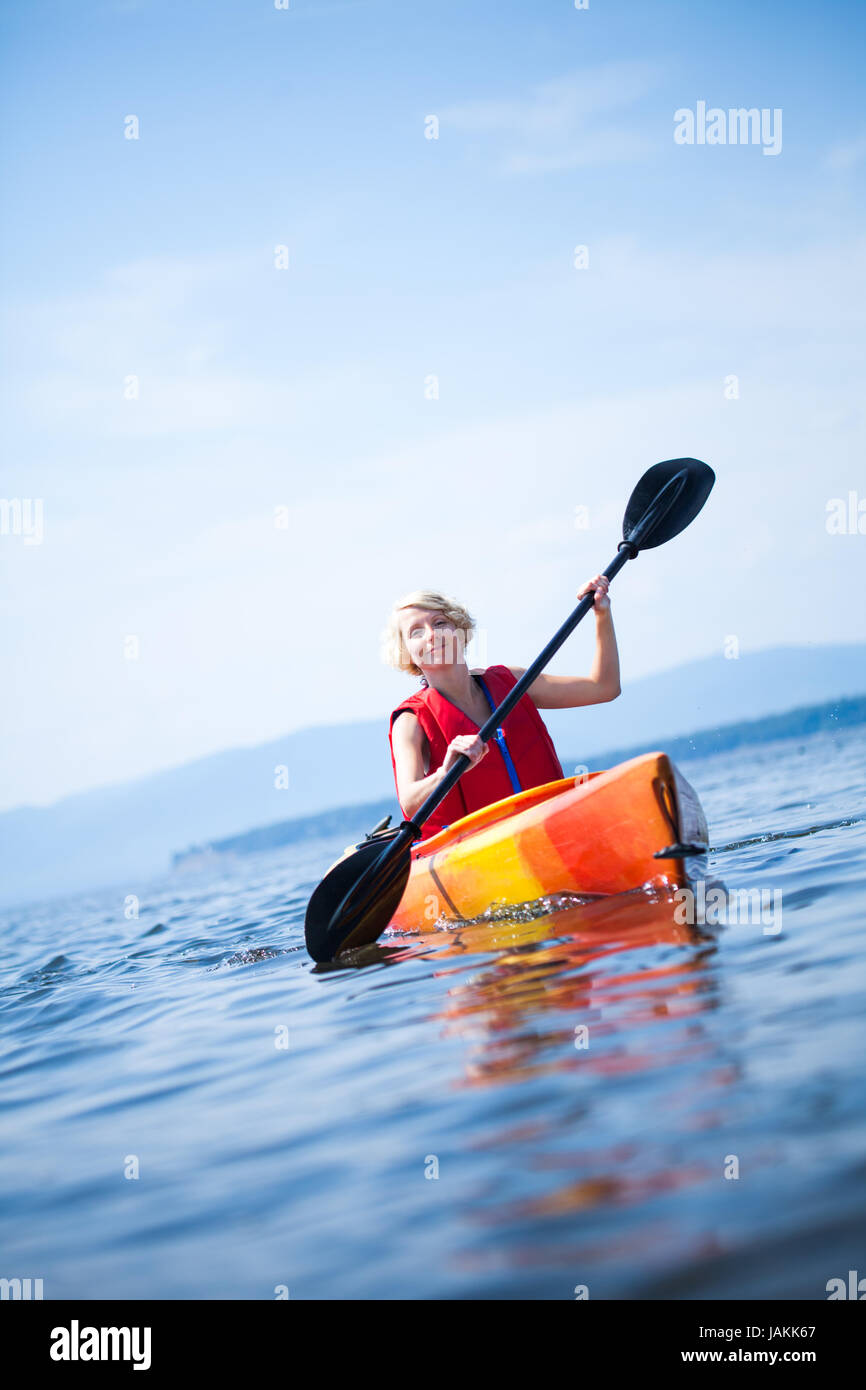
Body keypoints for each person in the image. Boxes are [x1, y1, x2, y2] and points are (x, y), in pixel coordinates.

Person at [381, 577, 620, 839]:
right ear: (406, 652)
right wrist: (445, 773)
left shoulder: (512, 682)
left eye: (440, 623)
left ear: (459, 630)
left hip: (552, 830)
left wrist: (601, 613)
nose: (431, 634)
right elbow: (410, 801)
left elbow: (604, 687)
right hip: (478, 852)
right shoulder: (411, 720)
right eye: (416, 632)